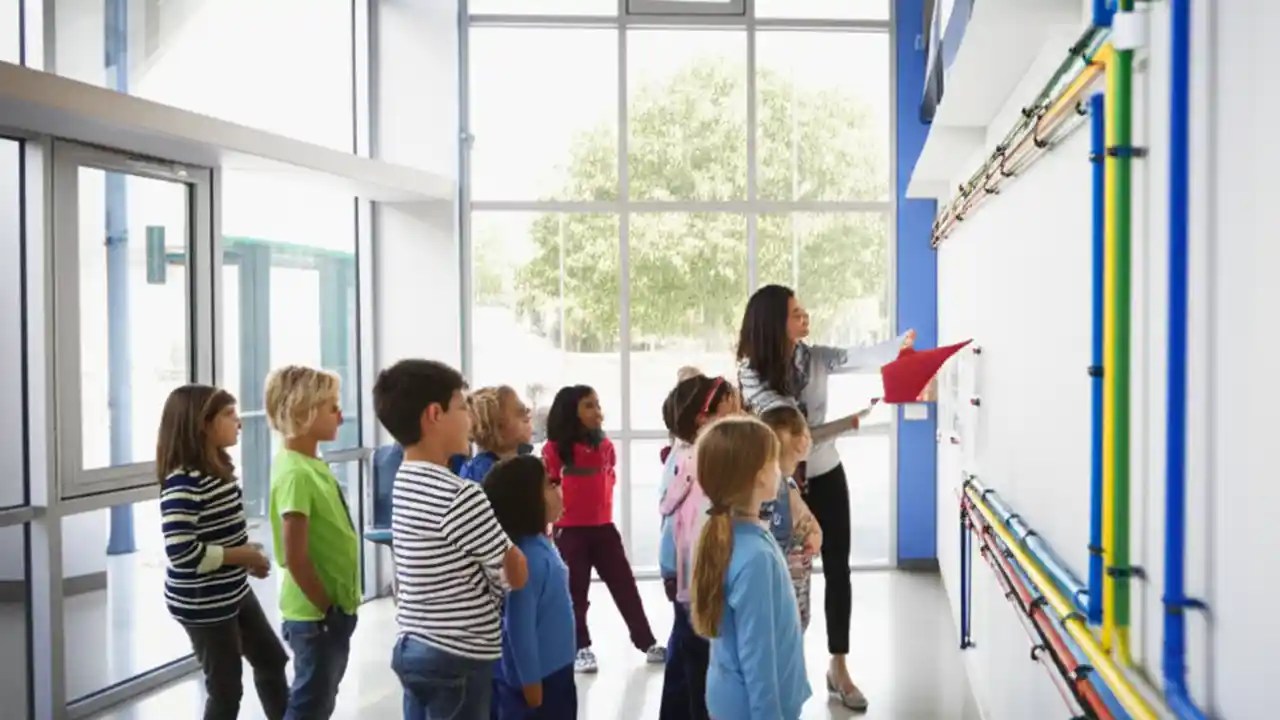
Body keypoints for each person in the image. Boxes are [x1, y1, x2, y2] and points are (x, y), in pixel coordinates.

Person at [736, 283, 913, 711]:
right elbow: (792, 432)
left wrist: (898, 348)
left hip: (827, 475)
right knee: (781, 576)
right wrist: (849, 423)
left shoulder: (812, 357)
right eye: (796, 312)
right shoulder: (749, 371)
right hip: (778, 485)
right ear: (774, 321)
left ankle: (839, 665)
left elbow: (858, 357)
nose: (805, 316)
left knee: (838, 568)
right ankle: (779, 667)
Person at [374, 359, 529, 720]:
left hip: (414, 647)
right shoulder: (461, 494)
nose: (470, 421)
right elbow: (514, 570)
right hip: (457, 658)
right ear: (434, 415)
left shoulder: (405, 479)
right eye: (462, 408)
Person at [158, 384, 289, 720]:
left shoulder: (218, 472)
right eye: (229, 415)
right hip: (203, 602)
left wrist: (247, 557)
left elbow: (222, 534)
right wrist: (242, 557)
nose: (239, 422)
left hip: (231, 591)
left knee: (272, 660)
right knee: (226, 689)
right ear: (202, 424)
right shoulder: (183, 484)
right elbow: (183, 552)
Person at [691, 416, 810, 720]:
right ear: (759, 477)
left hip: (734, 698)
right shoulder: (755, 556)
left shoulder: (737, 536)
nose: (779, 469)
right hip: (753, 709)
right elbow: (757, 658)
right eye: (773, 462)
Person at [542, 385, 664, 673]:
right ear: (571, 412)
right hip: (570, 532)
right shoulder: (554, 450)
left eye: (597, 405)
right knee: (576, 592)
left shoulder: (605, 446)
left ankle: (646, 641)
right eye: (589, 406)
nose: (598, 412)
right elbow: (549, 489)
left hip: (603, 529)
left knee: (624, 585)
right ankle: (579, 647)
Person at [266, 366, 361, 720]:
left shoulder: (309, 464)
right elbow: (295, 555)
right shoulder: (295, 472)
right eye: (331, 406)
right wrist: (326, 608)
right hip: (315, 617)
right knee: (310, 706)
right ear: (302, 411)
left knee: (320, 699)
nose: (340, 414)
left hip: (330, 613)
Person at [657, 374, 741, 720]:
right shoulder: (703, 463)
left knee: (683, 654)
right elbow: (686, 526)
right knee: (700, 664)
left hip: (683, 577)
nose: (739, 409)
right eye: (731, 404)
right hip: (698, 580)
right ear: (704, 420)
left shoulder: (681, 454)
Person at [483, 455, 577, 719]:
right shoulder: (526, 559)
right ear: (526, 501)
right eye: (548, 485)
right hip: (537, 682)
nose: (558, 490)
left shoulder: (539, 544)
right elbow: (518, 628)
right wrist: (531, 684)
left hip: (557, 670)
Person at [759, 405, 824, 632]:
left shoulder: (787, 484)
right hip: (780, 582)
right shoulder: (770, 489)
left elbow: (808, 522)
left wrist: (813, 536)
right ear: (801, 442)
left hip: (792, 580)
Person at [457, 385, 535, 484]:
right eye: (520, 412)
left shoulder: (518, 463)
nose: (527, 416)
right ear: (497, 428)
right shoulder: (484, 473)